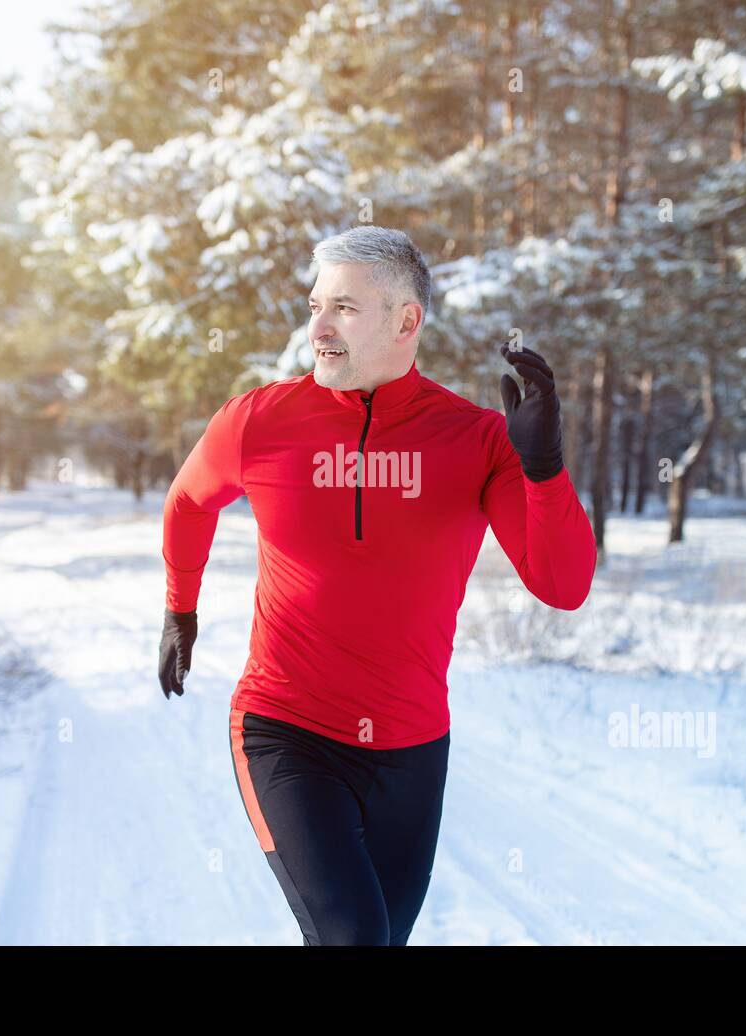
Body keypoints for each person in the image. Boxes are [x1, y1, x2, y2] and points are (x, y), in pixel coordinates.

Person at [158, 225, 597, 945]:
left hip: (413, 749)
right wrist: (181, 608)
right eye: (314, 306)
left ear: (405, 320)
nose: (318, 330)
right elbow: (187, 501)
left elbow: (563, 585)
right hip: (286, 729)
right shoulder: (260, 420)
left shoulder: (478, 438)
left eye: (344, 309)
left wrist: (544, 468)